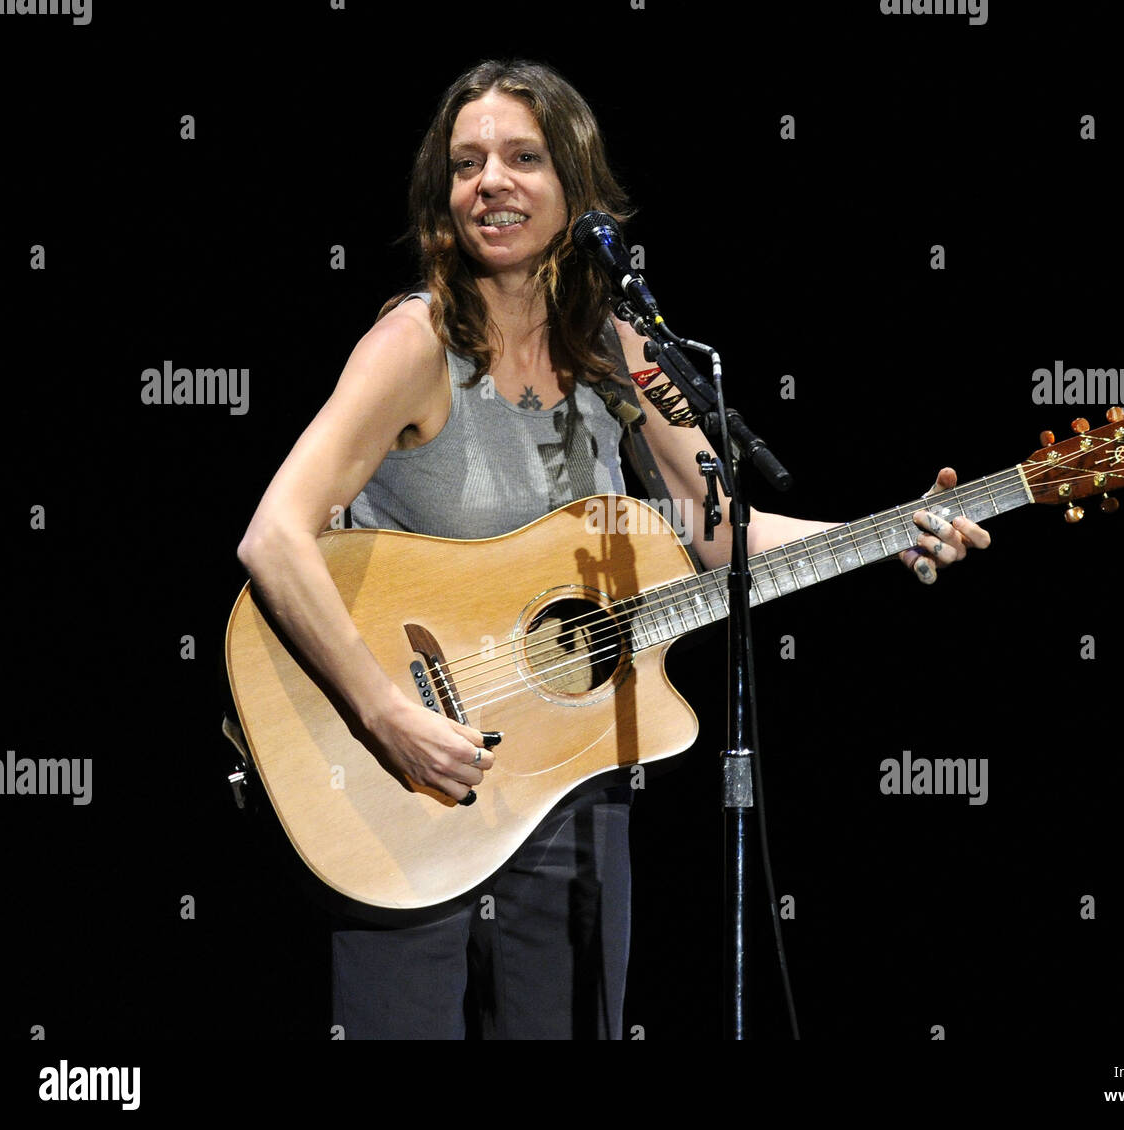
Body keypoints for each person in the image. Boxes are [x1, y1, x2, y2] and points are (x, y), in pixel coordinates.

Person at [236, 58, 991, 1039]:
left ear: (577, 189)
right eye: (466, 164)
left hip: (563, 791)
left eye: (521, 157)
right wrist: (388, 716)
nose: (490, 182)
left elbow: (719, 532)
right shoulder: (416, 343)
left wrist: (888, 531)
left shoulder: (623, 350)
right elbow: (273, 534)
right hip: (405, 777)